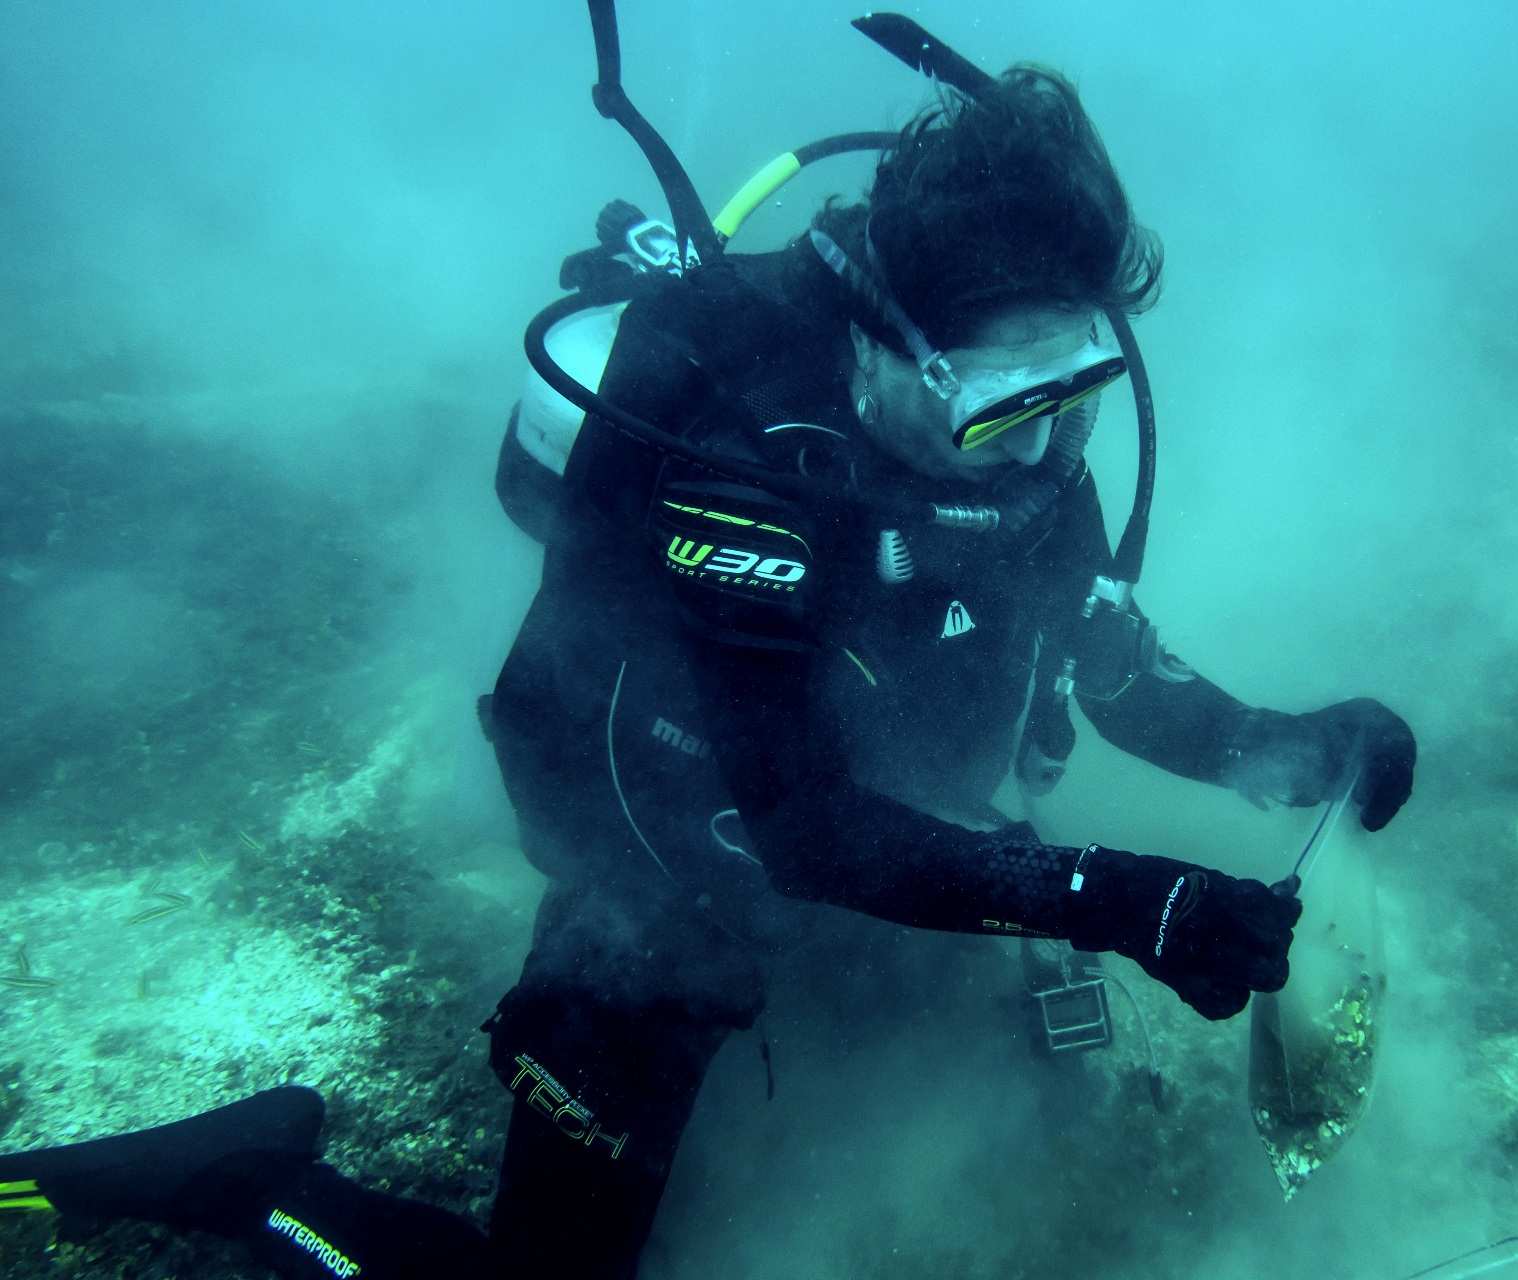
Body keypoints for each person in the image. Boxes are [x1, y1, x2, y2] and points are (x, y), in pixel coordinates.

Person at [0, 62, 1414, 1280]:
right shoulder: (745, 460)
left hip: (877, 822)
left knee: (992, 1074)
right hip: (670, 857)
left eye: (1078, 395)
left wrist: (1288, 746)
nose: (1049, 455)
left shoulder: (1031, 451)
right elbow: (800, 825)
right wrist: (1123, 899)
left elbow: (1102, 662)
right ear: (885, 345)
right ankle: (253, 1183)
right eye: (1005, 411)